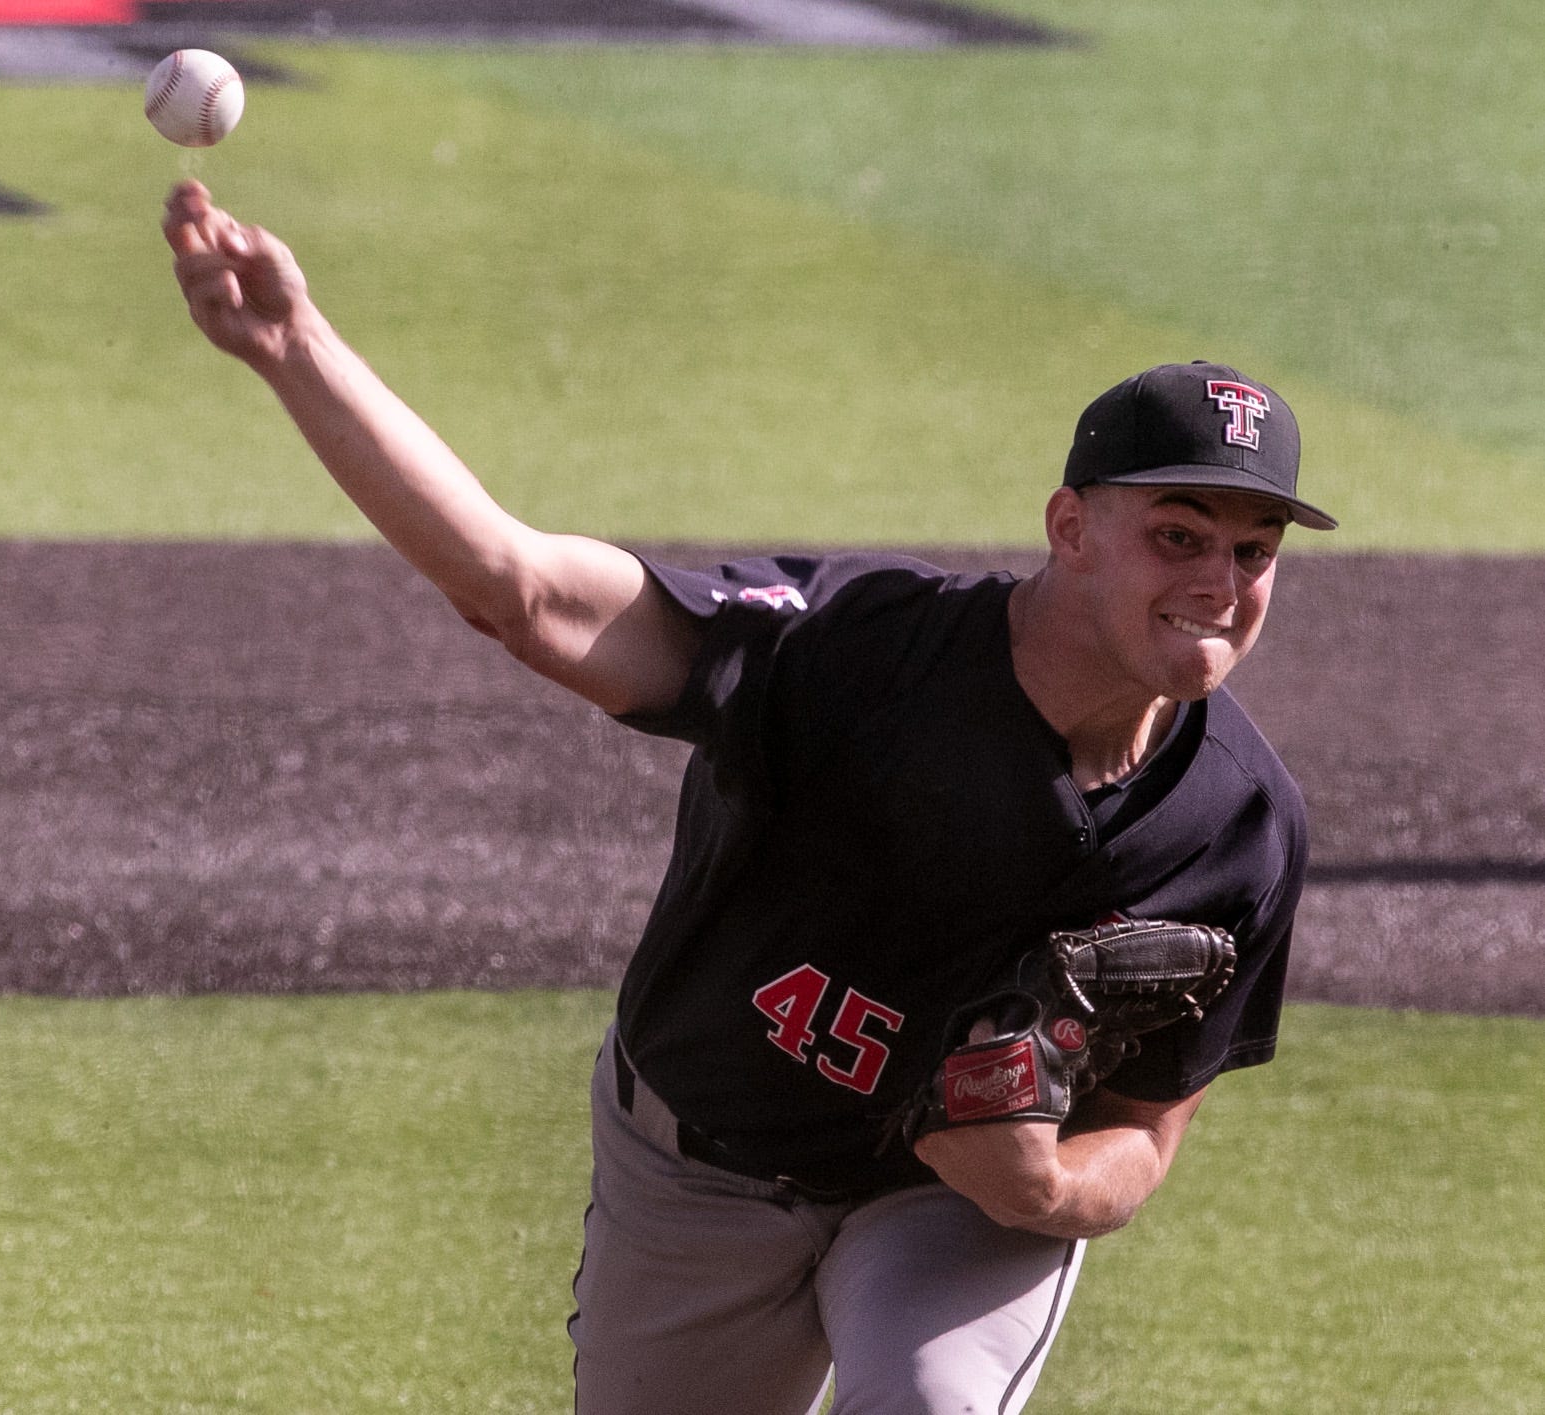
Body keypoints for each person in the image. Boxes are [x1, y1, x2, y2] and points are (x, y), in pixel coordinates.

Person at [162, 179, 1337, 1415]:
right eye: (1179, 531)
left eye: (1253, 550)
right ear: (1069, 526)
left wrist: (1039, 1188)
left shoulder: (1241, 828)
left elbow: (1144, 1136)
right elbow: (526, 594)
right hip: (700, 1159)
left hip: (938, 1209)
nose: (1220, 578)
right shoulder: (852, 652)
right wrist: (296, 348)